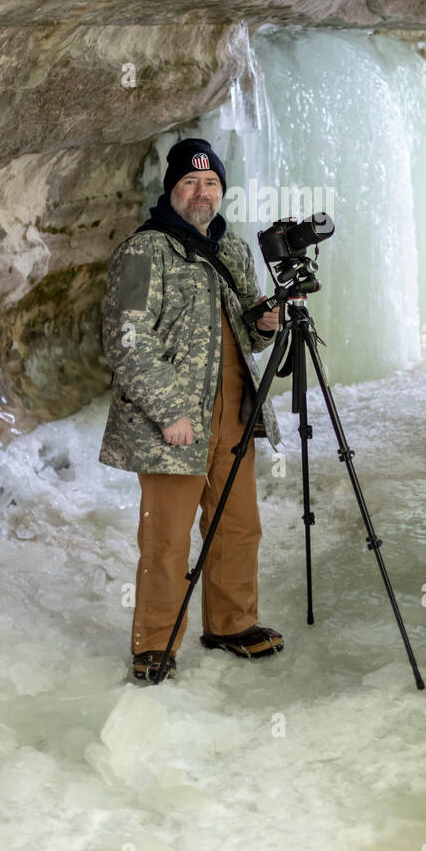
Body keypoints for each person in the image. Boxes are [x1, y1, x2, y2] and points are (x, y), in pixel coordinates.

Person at [98, 137, 285, 681]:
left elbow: (247, 335)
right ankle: (155, 644)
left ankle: (232, 624)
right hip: (171, 423)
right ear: (171, 189)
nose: (202, 192)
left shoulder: (233, 250)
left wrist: (265, 324)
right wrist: (169, 411)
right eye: (190, 182)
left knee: (238, 525)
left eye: (211, 183)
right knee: (167, 538)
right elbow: (127, 339)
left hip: (234, 411)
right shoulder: (143, 252)